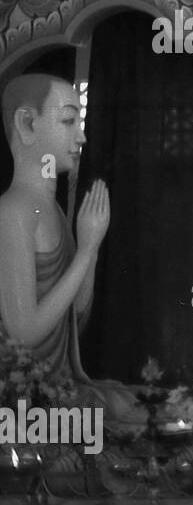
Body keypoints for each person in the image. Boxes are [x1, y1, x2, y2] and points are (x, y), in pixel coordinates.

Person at [0, 73, 144, 426]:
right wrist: (85, 251)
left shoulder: (56, 211)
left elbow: (75, 320)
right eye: (67, 120)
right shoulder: (14, 211)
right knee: (141, 415)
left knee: (148, 404)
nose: (80, 136)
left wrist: (91, 249)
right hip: (27, 401)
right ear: (27, 123)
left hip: (61, 386)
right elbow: (24, 334)